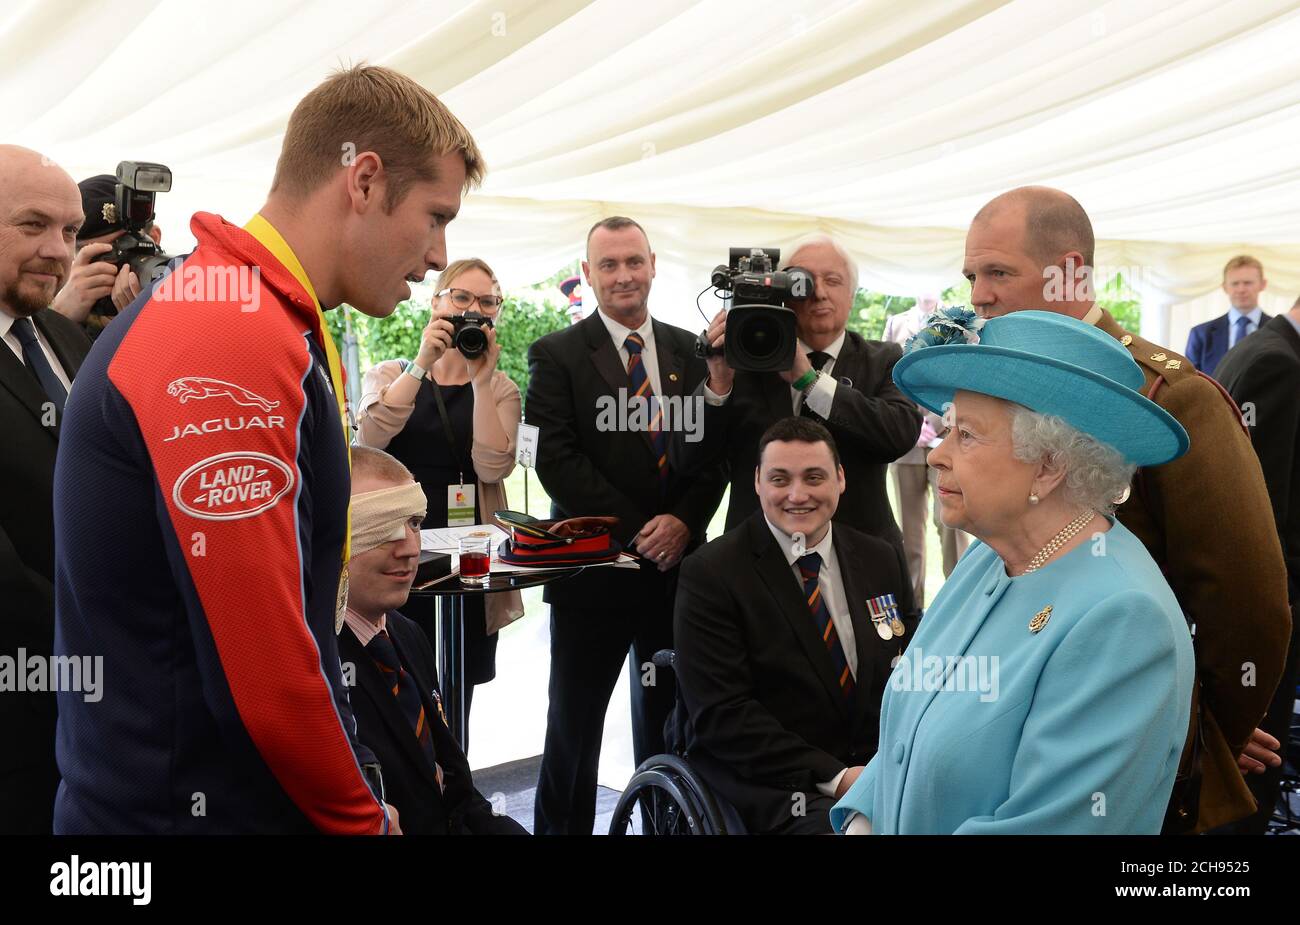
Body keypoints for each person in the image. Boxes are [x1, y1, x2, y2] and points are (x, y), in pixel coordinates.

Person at [52, 64, 484, 833]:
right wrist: (358, 818)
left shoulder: (255, 311)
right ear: (365, 179)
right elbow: (266, 665)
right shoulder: (228, 329)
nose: (435, 255)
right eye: (435, 216)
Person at [960, 185, 1291, 833]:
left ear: (1071, 271)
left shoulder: (1170, 395)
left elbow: (1248, 603)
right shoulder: (1002, 385)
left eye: (999, 272)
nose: (979, 294)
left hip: (1128, 756)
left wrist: (1192, 726)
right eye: (972, 275)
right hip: (1021, 730)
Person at [831, 310, 1195, 834]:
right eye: (948, 430)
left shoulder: (1125, 618)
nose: (938, 455)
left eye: (967, 435)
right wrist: (863, 821)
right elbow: (902, 746)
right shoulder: (986, 558)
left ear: (1047, 466)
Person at [525, 215, 726, 835]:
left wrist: (685, 524)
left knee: (670, 725)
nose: (623, 276)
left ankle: (664, 827)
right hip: (595, 574)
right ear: (587, 274)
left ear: (653, 264)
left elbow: (713, 451)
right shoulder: (556, 354)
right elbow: (555, 462)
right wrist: (648, 529)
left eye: (633, 261)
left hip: (676, 579)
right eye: (608, 265)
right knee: (574, 732)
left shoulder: (693, 351)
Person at [673, 417, 917, 834]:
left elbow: (913, 670)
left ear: (840, 479)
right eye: (780, 479)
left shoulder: (880, 558)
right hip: (766, 780)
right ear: (757, 482)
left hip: (877, 769)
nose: (797, 495)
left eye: (814, 477)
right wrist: (838, 778)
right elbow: (723, 716)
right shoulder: (711, 574)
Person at [357, 257, 523, 718]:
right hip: (396, 552)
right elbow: (370, 438)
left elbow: (492, 467)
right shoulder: (391, 374)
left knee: (456, 694)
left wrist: (482, 381)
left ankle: (454, 783)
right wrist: (423, 361)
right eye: (462, 298)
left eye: (487, 302)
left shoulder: (501, 389)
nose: (474, 309)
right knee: (395, 688)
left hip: (467, 556)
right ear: (436, 304)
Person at [689, 234, 920, 551]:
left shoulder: (884, 359)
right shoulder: (744, 362)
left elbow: (898, 435)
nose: (820, 293)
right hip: (755, 557)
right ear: (782, 293)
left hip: (861, 555)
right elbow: (692, 457)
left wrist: (810, 381)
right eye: (804, 283)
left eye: (833, 280)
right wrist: (718, 383)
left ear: (852, 296)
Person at [339, 447, 527, 834]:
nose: (410, 547)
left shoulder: (407, 636)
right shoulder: (315, 665)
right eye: (383, 527)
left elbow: (457, 792)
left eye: (413, 523)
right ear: (334, 535)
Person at [0, 145, 92, 833]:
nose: (57, 249)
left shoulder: (70, 338)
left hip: (97, 725)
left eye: (71, 230)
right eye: (33, 225)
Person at [1212, 295, 1300, 833]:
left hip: (1239, 608)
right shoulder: (1279, 364)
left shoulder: (1259, 346)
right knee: (1250, 776)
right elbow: (1265, 517)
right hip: (1261, 611)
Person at [882, 293, 970, 606]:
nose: (926, 291)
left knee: (950, 524)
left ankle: (958, 603)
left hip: (945, 436)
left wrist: (933, 420)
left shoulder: (958, 325)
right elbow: (889, 378)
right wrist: (911, 424)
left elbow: (961, 380)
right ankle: (912, 606)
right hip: (907, 444)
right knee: (910, 532)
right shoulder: (896, 323)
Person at [50, 173, 164, 339]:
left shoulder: (185, 287)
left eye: (125, 250)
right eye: (100, 256)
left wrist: (151, 327)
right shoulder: (43, 308)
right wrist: (60, 318)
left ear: (154, 238)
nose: (118, 267)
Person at [1184, 256, 1270, 376]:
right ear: (1225, 287)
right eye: (1235, 283)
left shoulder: (1281, 331)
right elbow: (1190, 381)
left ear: (1263, 284)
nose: (1241, 289)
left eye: (1248, 283)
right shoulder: (1201, 334)